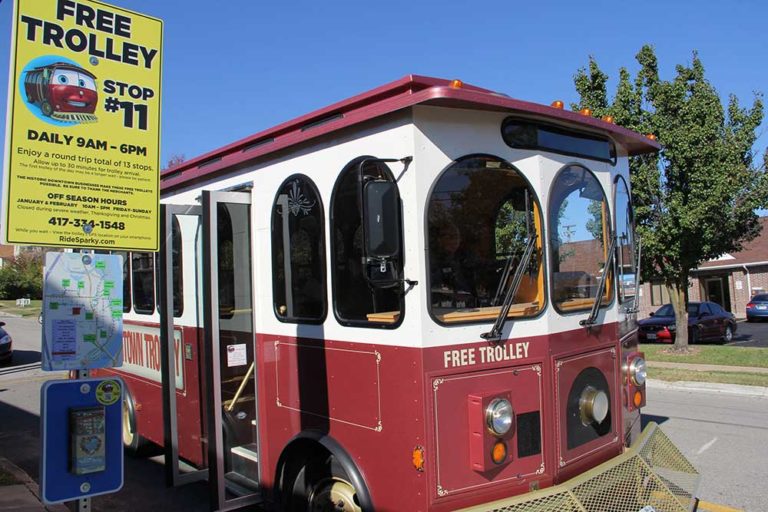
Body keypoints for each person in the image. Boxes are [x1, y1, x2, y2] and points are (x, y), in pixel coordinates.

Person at [431, 222, 475, 308]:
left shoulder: (463, 258)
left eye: (457, 237)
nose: (455, 240)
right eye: (450, 237)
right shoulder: (429, 261)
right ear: (439, 239)